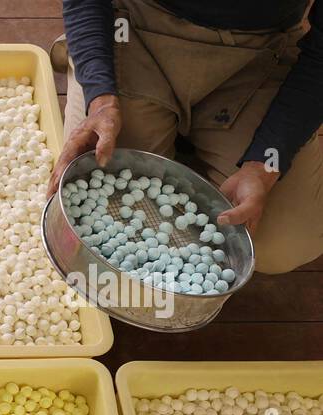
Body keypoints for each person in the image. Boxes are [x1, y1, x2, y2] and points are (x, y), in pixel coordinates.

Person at [51, 0, 323, 273]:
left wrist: (265, 165)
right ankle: (87, 48)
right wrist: (101, 96)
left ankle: (178, 131)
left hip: (260, 50)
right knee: (95, 210)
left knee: (282, 245)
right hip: (134, 28)